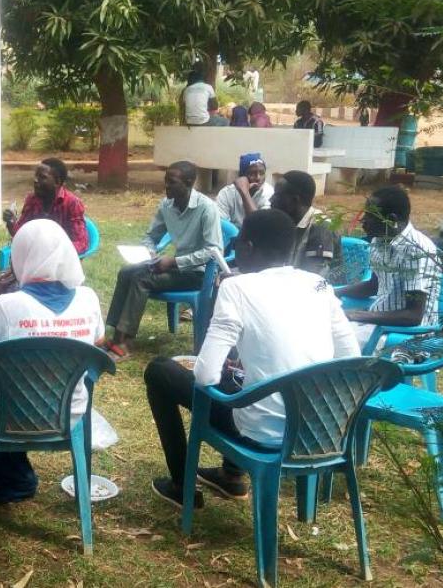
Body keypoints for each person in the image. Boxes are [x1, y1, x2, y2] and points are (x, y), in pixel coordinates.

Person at [144, 209, 361, 508]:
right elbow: (351, 359)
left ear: (247, 247)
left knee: (160, 372)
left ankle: (182, 486)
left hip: (265, 434)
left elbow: (205, 376)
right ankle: (230, 476)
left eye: (239, 242)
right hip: (321, 429)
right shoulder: (318, 285)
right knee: (241, 379)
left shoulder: (236, 287)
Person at [0, 219, 105, 502]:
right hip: (70, 413)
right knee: (8, 378)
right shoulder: (89, 299)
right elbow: (95, 356)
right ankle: (10, 473)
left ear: (20, 256)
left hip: (8, 417)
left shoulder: (9, 306)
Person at [103, 162, 222, 357]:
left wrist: (173, 262)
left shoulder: (206, 208)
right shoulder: (167, 205)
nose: (166, 186)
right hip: (176, 268)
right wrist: (149, 252)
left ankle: (124, 341)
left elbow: (213, 251)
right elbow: (151, 236)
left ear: (189, 183)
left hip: (197, 273)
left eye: (172, 182)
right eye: (166, 181)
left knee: (142, 279)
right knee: (126, 272)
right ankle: (114, 332)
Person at [336, 186, 441, 347]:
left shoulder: (415, 251)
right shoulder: (379, 241)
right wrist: (332, 292)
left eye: (369, 216)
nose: (362, 221)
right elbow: (374, 286)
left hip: (408, 335)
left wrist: (357, 315)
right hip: (379, 324)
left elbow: (413, 316)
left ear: (390, 220)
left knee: (331, 340)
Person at [3, 158, 88, 253]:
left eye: (42, 177)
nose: (35, 180)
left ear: (57, 182)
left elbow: (81, 243)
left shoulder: (72, 203)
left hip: (63, 260)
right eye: (36, 176)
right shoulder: (32, 200)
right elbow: (21, 234)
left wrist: (53, 252)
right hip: (36, 257)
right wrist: (11, 223)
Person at [270, 170, 341, 280]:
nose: (271, 200)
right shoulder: (287, 221)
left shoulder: (321, 226)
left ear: (294, 200)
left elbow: (312, 280)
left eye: (277, 195)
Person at [215, 152, 274, 227]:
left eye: (262, 173)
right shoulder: (226, 193)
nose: (258, 178)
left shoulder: (268, 192)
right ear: (242, 176)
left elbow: (259, 225)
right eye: (252, 173)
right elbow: (221, 224)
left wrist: (245, 193)